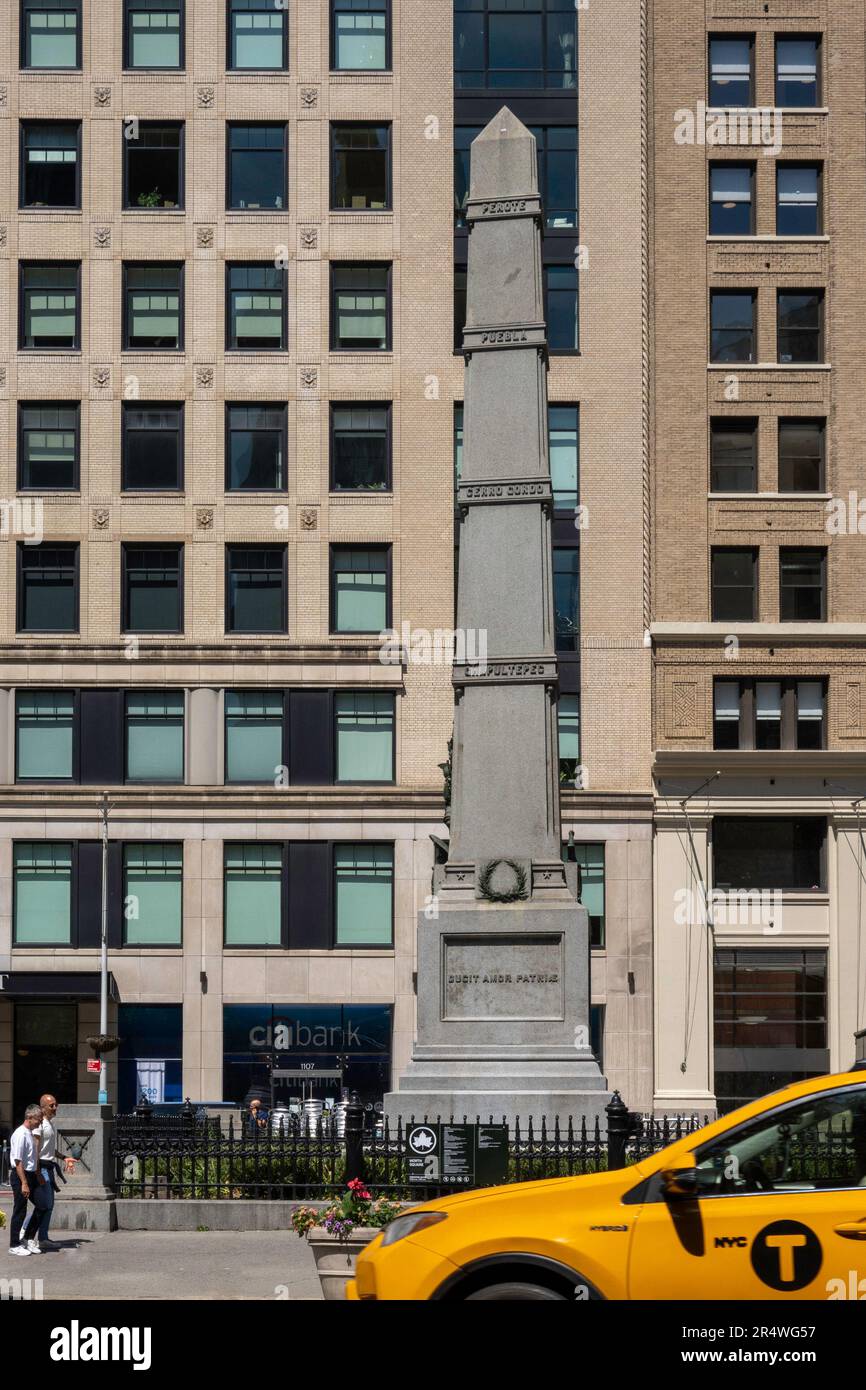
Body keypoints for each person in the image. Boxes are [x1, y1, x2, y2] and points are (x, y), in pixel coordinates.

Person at [21, 1094, 75, 1253]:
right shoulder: (40, 1124)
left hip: (48, 1167)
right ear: (43, 1108)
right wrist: (37, 1172)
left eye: (56, 1105)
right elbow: (36, 1149)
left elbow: (49, 1149)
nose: (55, 1107)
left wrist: (64, 1157)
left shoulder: (49, 1124)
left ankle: (43, 1238)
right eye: (52, 1105)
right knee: (43, 1204)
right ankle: (26, 1230)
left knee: (48, 1205)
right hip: (42, 1168)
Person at [8, 1104, 49, 1258]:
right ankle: (14, 1244)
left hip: (31, 1175)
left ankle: (28, 1238)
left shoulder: (30, 1133)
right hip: (21, 1176)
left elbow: (32, 1157)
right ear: (30, 1117)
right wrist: (24, 1183)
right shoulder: (20, 1134)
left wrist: (37, 1175)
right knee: (20, 1209)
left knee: (43, 1205)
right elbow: (18, 1162)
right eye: (38, 1119)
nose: (40, 1122)